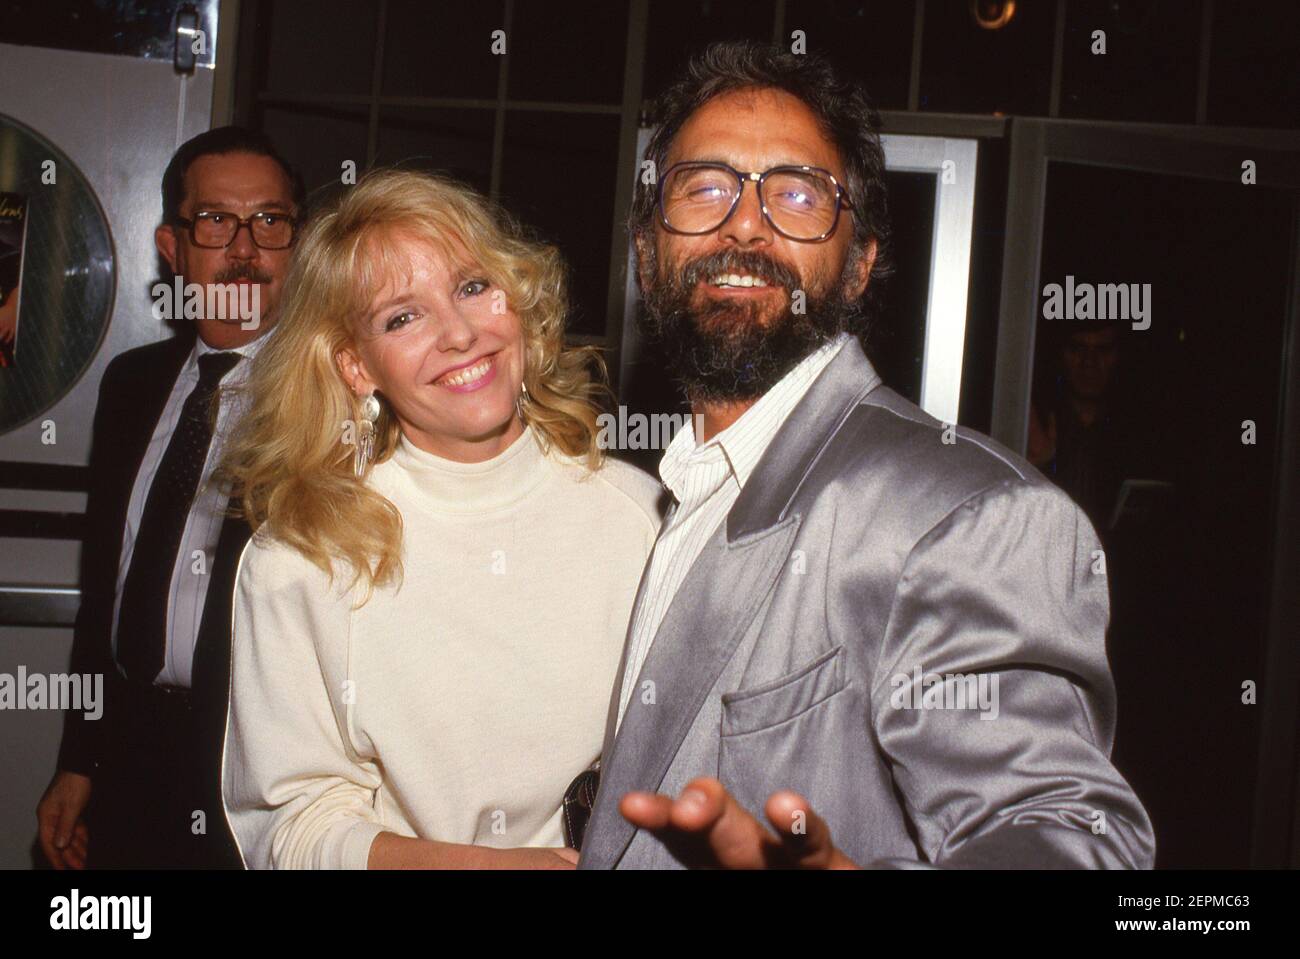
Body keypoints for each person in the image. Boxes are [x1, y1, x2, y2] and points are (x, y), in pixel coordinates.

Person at [578, 41, 1155, 869]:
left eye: (797, 194)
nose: (745, 222)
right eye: (703, 187)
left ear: (859, 265)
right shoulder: (679, 493)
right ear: (645, 250)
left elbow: (1063, 828)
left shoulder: (966, 515)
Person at [217, 168, 662, 869]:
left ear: (517, 295)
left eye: (472, 286)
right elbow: (292, 829)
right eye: (403, 316)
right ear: (356, 366)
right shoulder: (301, 558)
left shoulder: (641, 518)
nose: (458, 334)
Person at [35, 126, 303, 868]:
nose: (245, 248)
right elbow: (105, 593)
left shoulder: (337, 398)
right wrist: (79, 757)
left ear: (298, 244)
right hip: (127, 761)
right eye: (216, 221)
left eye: (270, 221)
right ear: (172, 246)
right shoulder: (132, 385)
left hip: (260, 780)